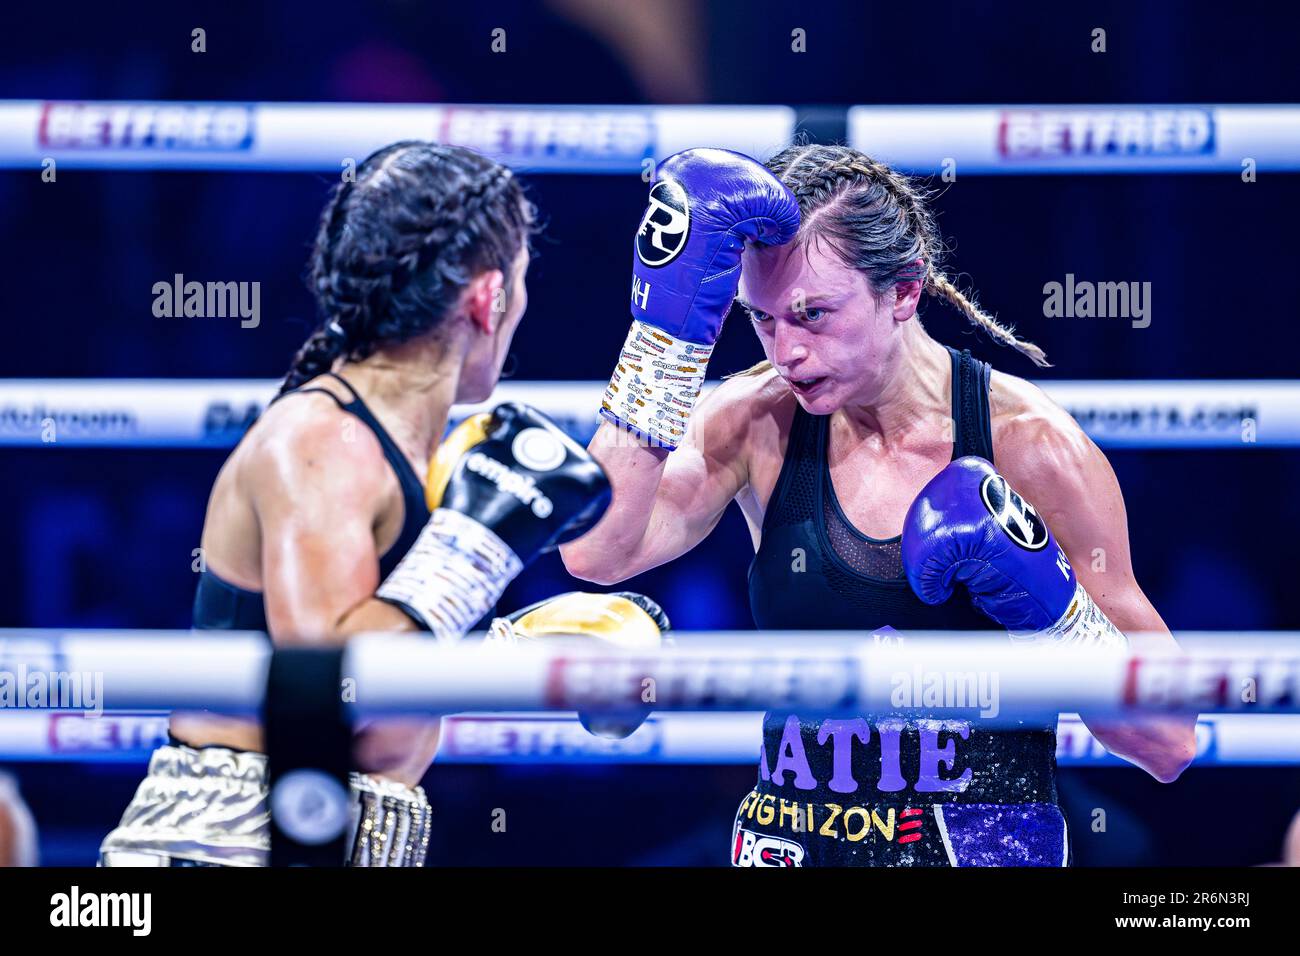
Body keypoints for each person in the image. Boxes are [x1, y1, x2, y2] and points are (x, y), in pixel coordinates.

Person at [561, 144, 1197, 866]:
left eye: (813, 314)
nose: (786, 351)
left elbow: (1168, 739)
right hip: (788, 845)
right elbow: (596, 551)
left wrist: (1054, 611)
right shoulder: (757, 420)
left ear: (903, 291)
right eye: (762, 320)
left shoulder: (1031, 447)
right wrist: (660, 344)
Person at [100, 142, 655, 867]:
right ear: (488, 297)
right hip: (228, 845)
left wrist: (521, 652)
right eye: (521, 282)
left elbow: (377, 671)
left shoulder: (393, 442)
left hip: (326, 838)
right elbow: (330, 684)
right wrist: (477, 549)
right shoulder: (324, 440)